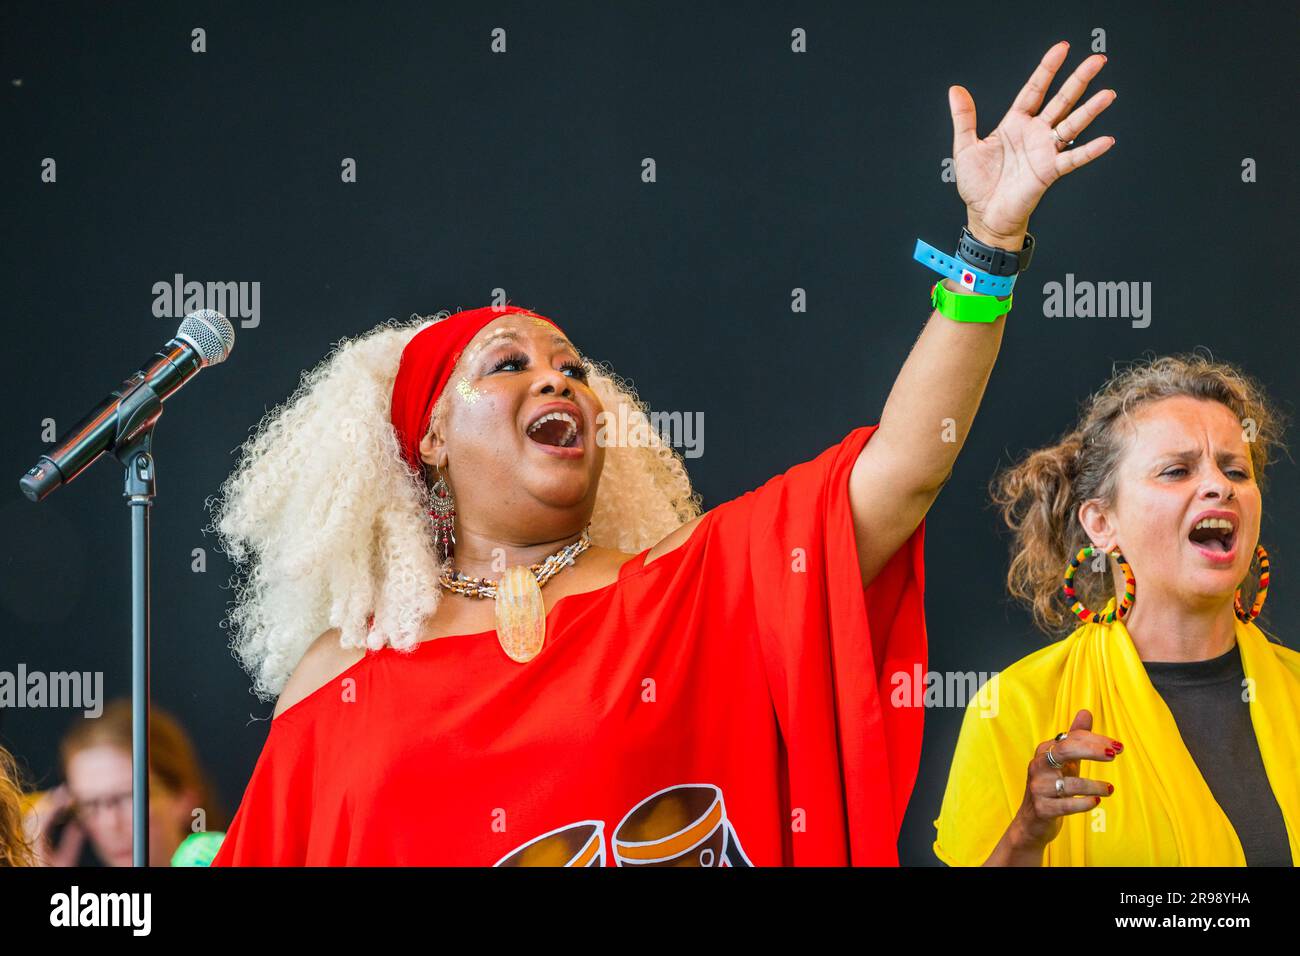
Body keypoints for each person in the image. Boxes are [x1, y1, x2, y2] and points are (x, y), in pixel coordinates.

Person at [208, 41, 1115, 866]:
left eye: (572, 369)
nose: (559, 382)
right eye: (510, 364)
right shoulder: (342, 681)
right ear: (431, 437)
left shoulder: (686, 593)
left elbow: (907, 467)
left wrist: (988, 245)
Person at [934, 354, 1299, 866]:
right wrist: (1026, 834)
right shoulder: (1016, 707)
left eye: (1235, 469)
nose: (1220, 486)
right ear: (1102, 523)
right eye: (1177, 470)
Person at [23, 699, 227, 867]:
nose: (110, 823)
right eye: (90, 805)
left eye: (128, 797)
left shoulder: (225, 858)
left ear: (185, 797)